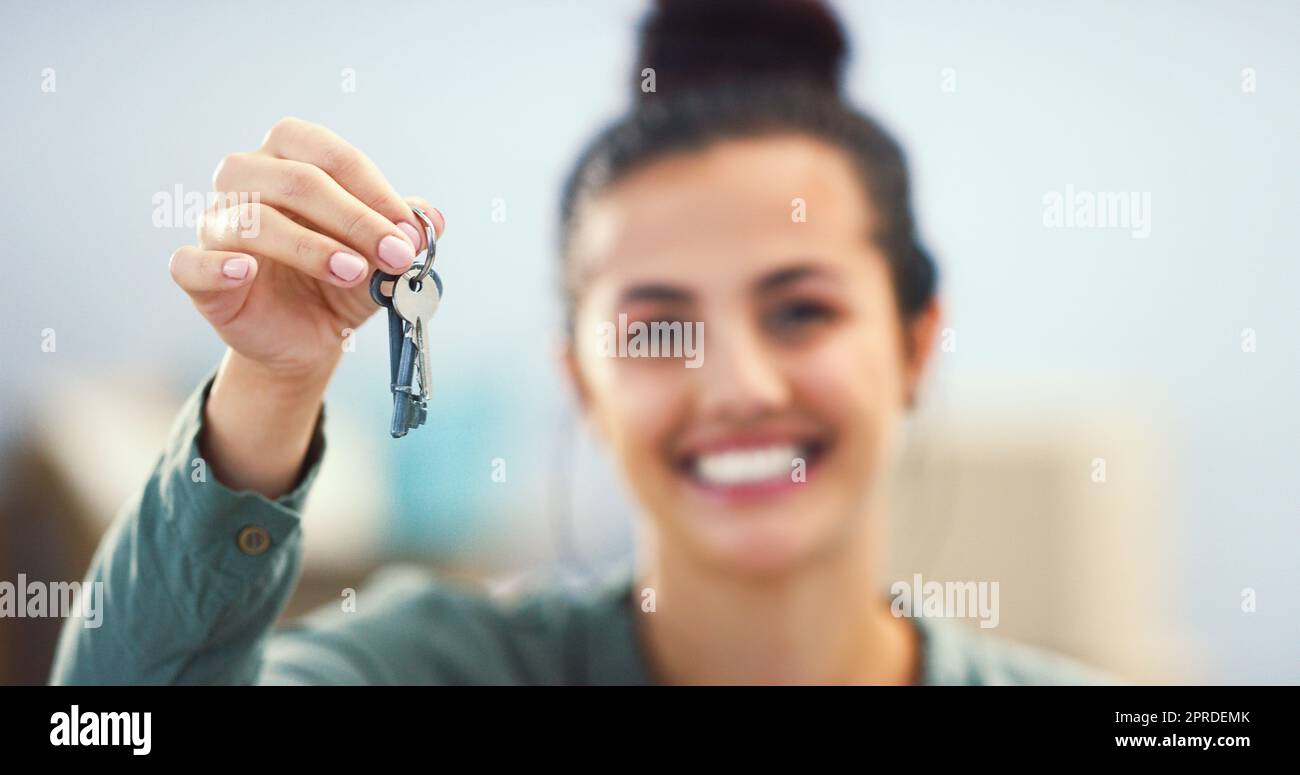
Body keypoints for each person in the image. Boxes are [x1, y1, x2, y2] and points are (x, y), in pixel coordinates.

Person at [51, 0, 1108, 685]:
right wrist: (270, 383)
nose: (737, 384)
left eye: (800, 310)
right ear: (583, 384)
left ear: (917, 342)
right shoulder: (440, 669)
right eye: (657, 327)